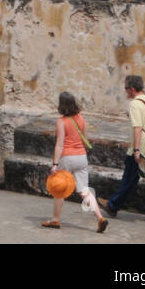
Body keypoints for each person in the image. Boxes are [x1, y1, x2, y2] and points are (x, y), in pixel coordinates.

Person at [101, 75, 145, 226]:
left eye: (126, 88)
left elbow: (138, 128)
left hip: (142, 150)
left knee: (129, 179)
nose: (125, 91)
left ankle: (113, 206)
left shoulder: (135, 104)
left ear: (132, 89)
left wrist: (136, 150)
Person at [42, 92, 108, 232]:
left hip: (67, 157)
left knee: (59, 189)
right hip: (81, 157)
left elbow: (59, 144)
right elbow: (85, 139)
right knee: (84, 190)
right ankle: (100, 218)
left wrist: (55, 164)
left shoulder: (61, 121)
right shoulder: (81, 119)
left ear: (61, 105)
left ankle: (55, 220)